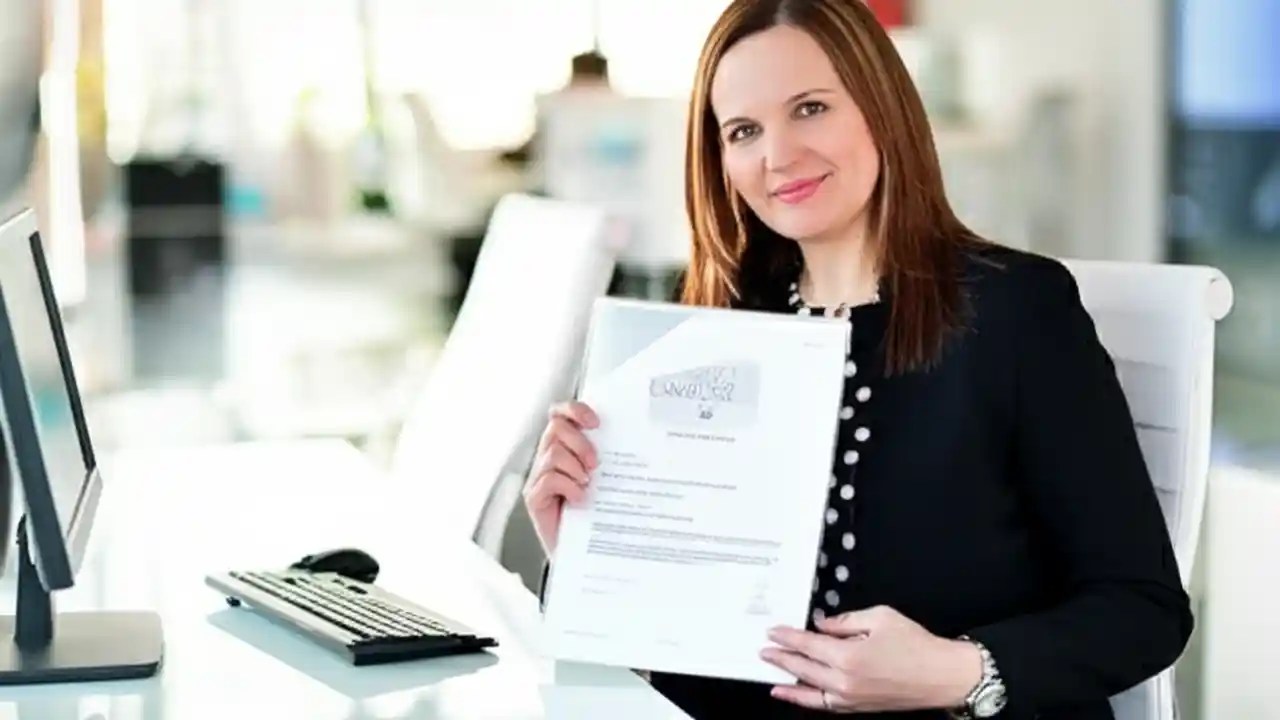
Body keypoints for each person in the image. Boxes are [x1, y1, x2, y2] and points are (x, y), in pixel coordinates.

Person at [522, 1, 1192, 718]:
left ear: (881, 107)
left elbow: (1142, 609)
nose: (777, 156)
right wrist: (592, 551)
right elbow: (672, 654)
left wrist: (958, 671)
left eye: (810, 108)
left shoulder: (1016, 312)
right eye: (743, 131)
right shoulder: (710, 341)